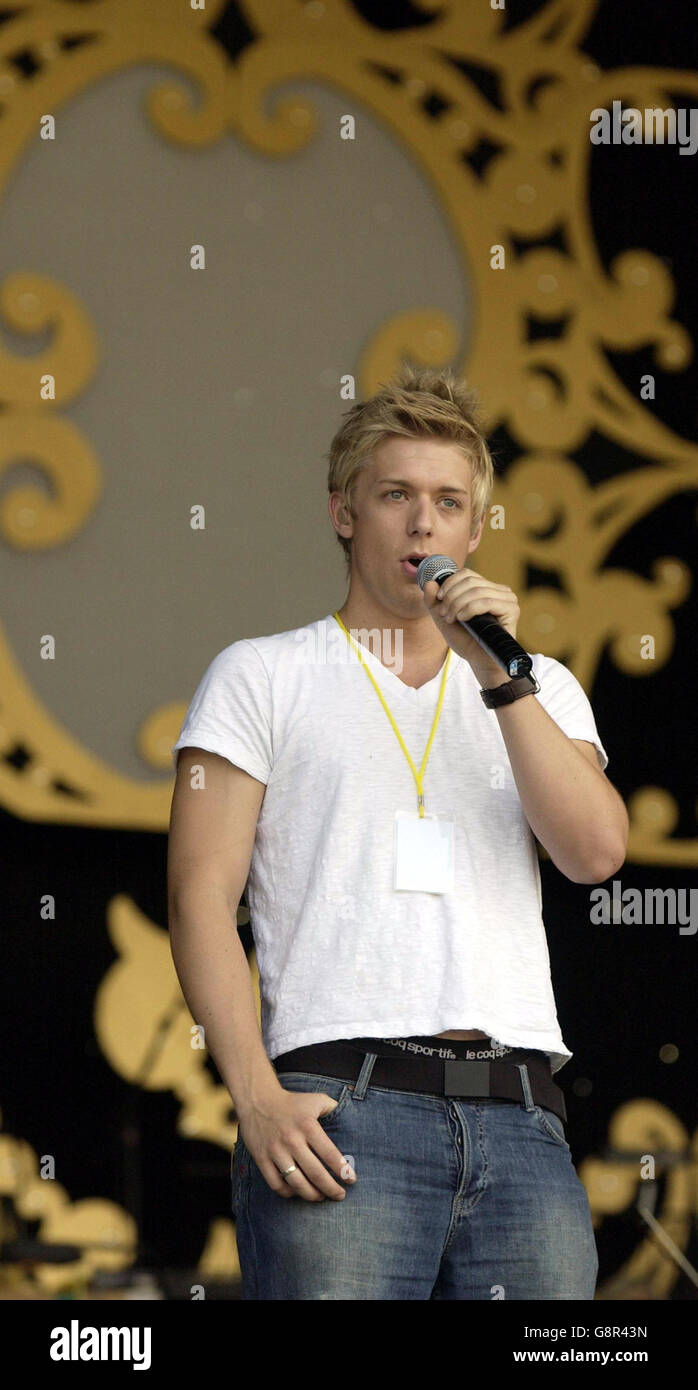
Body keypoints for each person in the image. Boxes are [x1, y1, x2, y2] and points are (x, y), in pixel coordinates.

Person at [167, 363, 628, 1300]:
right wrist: (253, 1096)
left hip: (521, 1115)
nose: (424, 525)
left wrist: (501, 678)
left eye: (448, 501)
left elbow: (596, 854)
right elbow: (198, 896)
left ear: (476, 529)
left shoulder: (535, 686)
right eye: (396, 496)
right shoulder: (262, 675)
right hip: (344, 1107)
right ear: (345, 513)